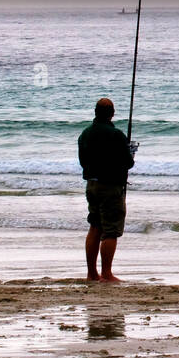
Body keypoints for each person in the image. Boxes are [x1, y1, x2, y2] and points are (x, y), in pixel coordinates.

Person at [78, 97, 136, 282]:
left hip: (92, 185)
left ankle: (92, 273)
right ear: (112, 114)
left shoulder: (85, 134)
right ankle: (107, 273)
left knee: (95, 226)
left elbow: (82, 162)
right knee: (110, 230)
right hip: (110, 186)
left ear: (95, 112)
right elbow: (128, 163)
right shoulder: (116, 135)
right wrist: (130, 152)